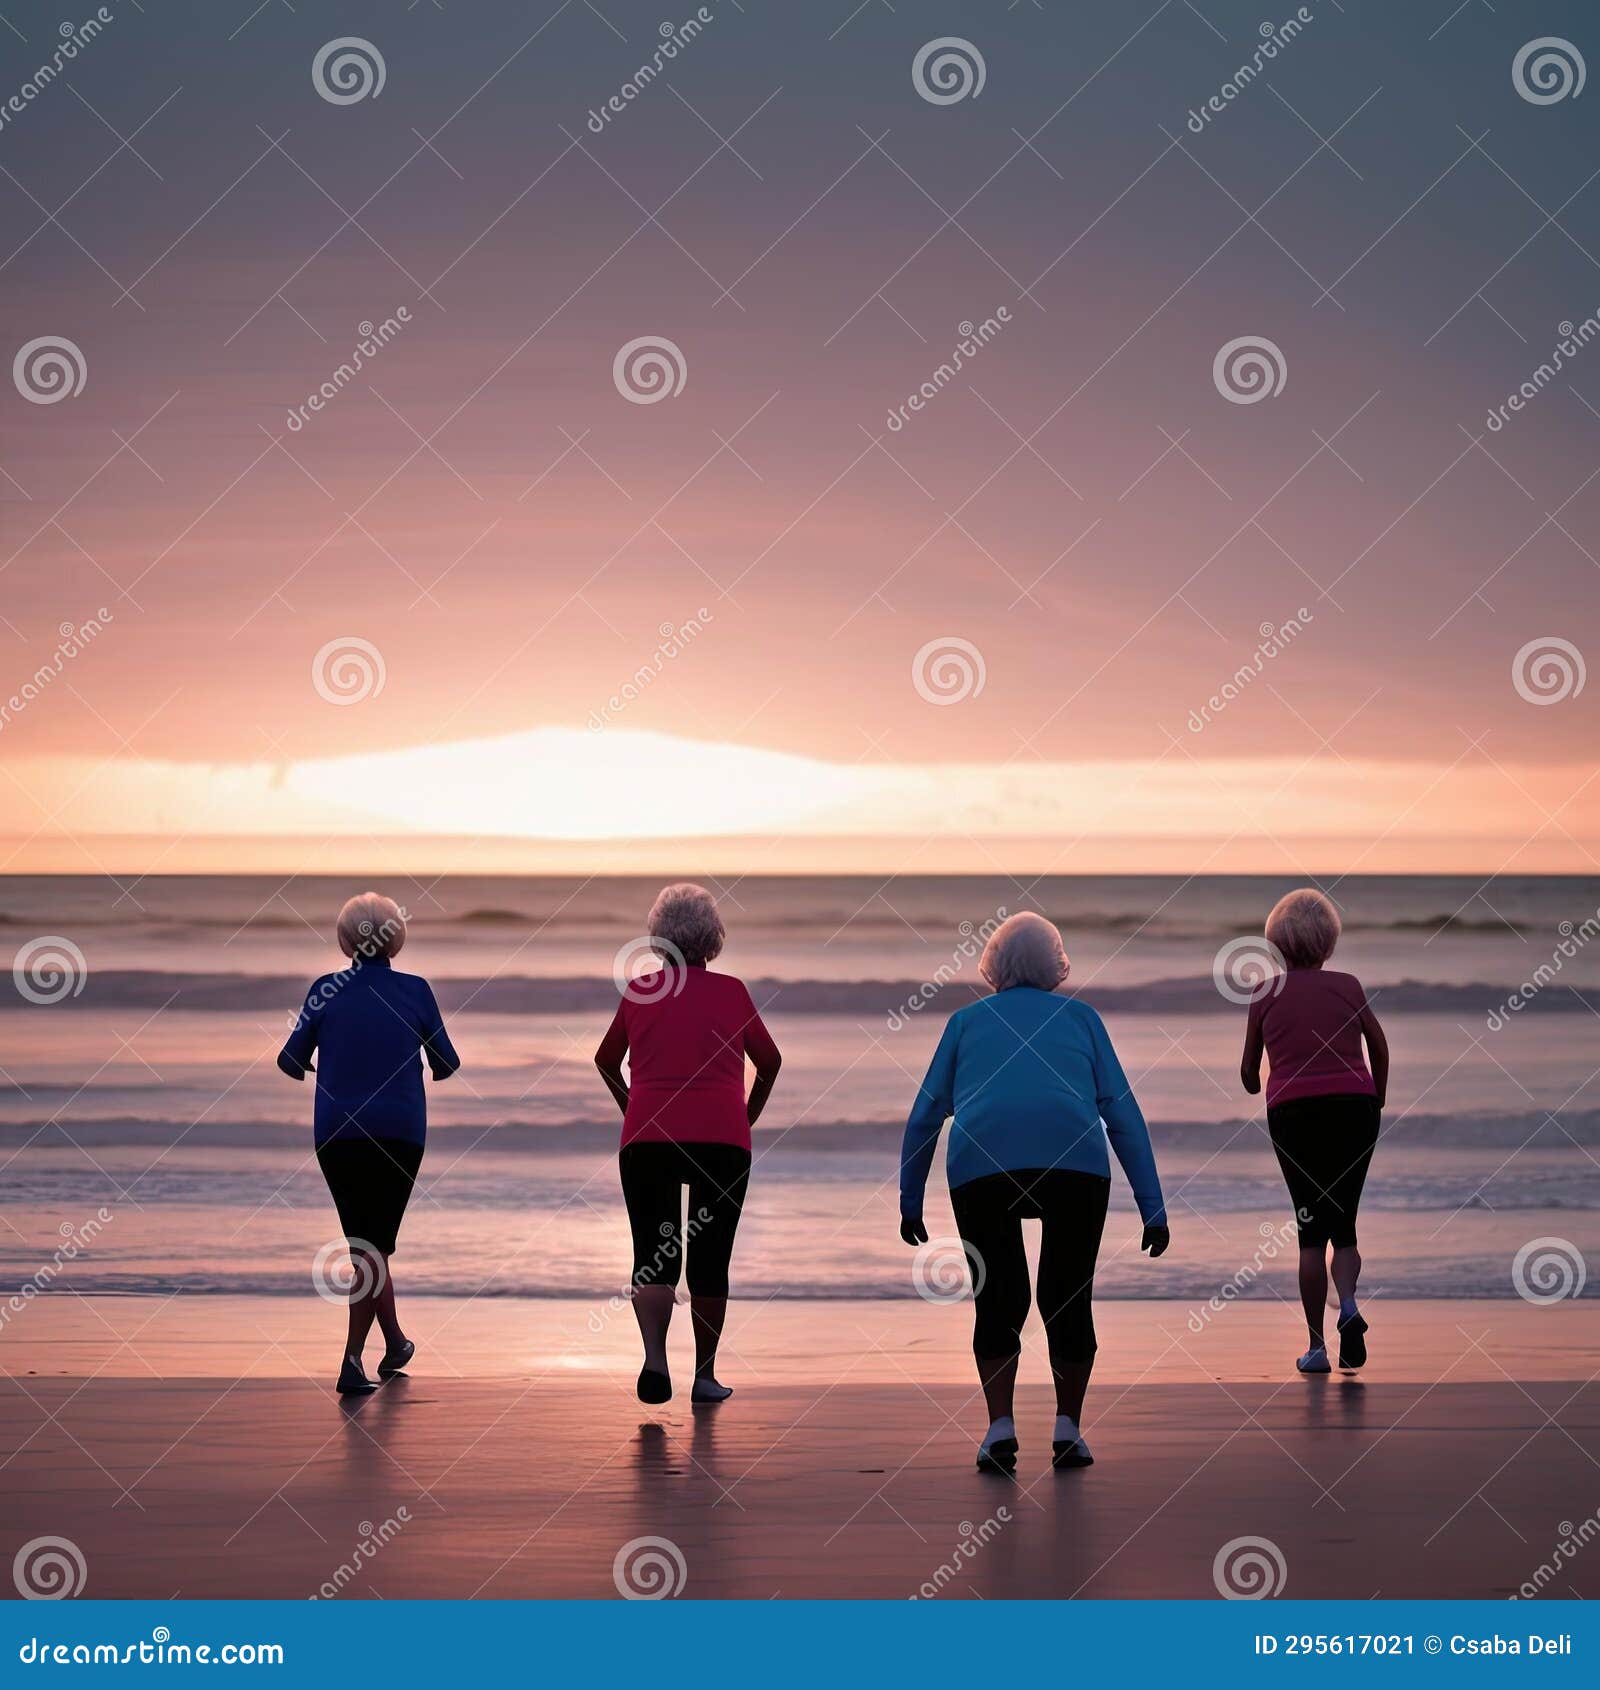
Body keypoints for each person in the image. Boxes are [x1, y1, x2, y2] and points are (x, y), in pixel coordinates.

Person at [899, 912, 1168, 1475]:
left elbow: (926, 1115)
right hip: (1075, 1162)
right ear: (1056, 963)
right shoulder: (1083, 1018)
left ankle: (1000, 1429)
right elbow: (1122, 1114)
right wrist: (1154, 1207)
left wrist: (910, 1198)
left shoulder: (966, 1022)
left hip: (982, 1163)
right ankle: (1068, 1430)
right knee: (1067, 1295)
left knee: (998, 1297)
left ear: (994, 964)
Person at [594, 883, 781, 1407]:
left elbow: (605, 1061)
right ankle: (704, 1375)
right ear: (712, 936)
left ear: (658, 937)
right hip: (722, 1141)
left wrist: (633, 1105)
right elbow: (770, 1063)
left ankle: (655, 1360)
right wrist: (745, 1118)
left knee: (654, 1254)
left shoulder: (641, 991)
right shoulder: (732, 992)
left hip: (647, 1137)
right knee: (710, 1257)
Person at [278, 892, 460, 1396]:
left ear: (344, 940)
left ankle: (396, 1342)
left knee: (367, 1244)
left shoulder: (324, 989)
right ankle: (353, 1360)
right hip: (399, 1132)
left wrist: (326, 1062)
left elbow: (289, 1061)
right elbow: (448, 1063)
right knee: (371, 1245)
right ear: (395, 941)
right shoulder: (416, 991)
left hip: (336, 1133)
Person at [1240, 887, 1388, 1376]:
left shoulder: (1265, 992)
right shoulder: (1348, 985)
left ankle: (1316, 1349)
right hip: (1356, 1109)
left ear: (1277, 946)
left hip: (1294, 1116)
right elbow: (1379, 1047)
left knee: (1310, 1234)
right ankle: (1347, 1305)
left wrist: (1271, 1068)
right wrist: (1376, 1097)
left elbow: (1247, 1073)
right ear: (1329, 944)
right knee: (1344, 1224)